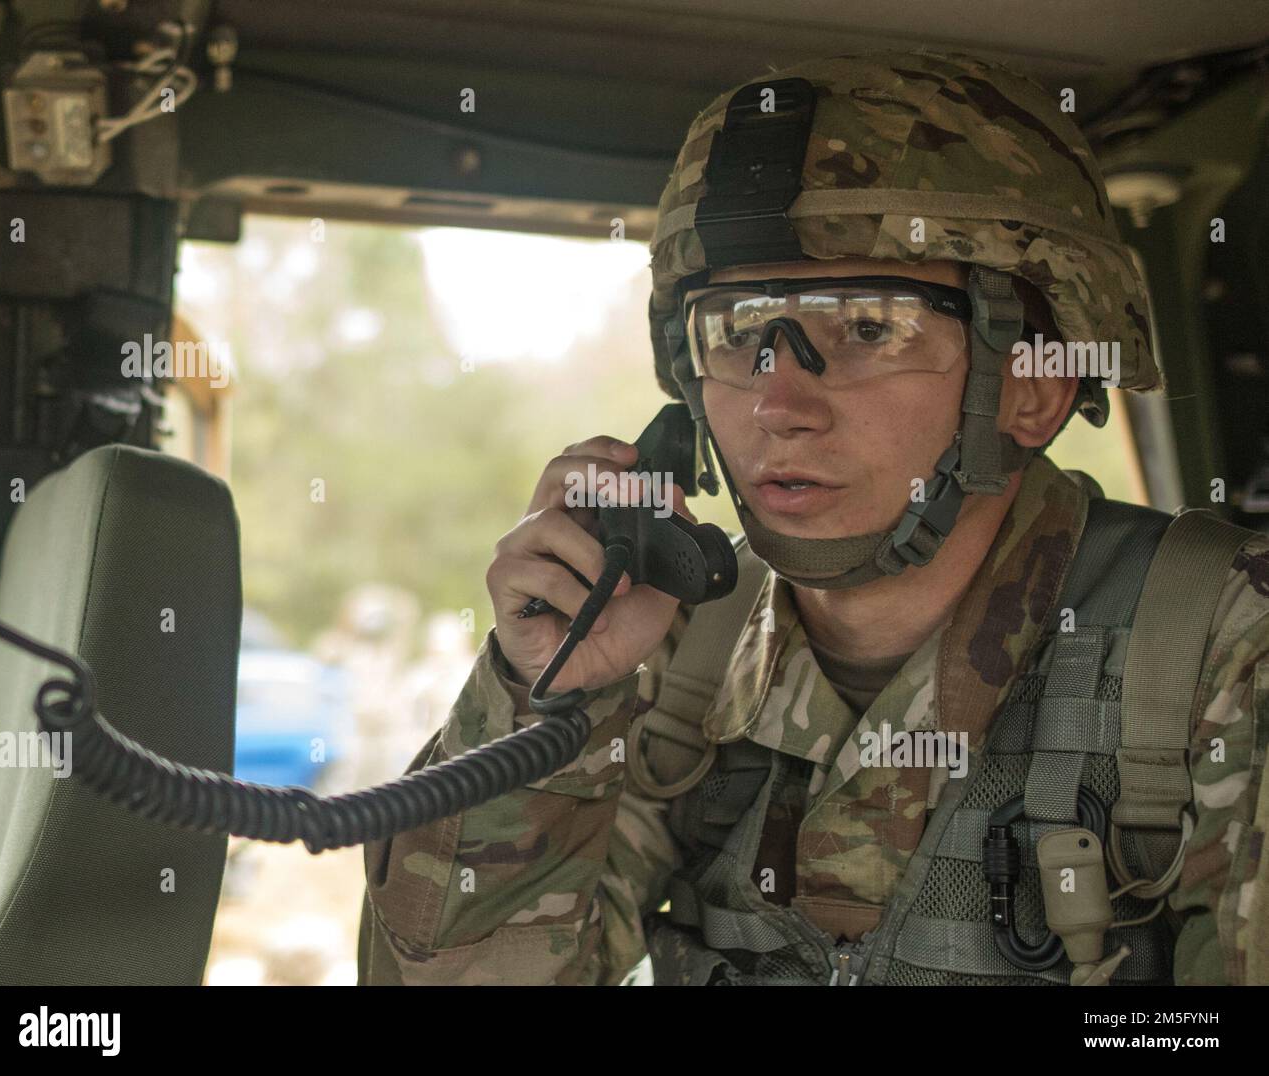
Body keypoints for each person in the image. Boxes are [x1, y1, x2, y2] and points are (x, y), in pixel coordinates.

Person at [357, 50, 1269, 986]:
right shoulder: (672, 653)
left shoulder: (1222, 650)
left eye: (868, 327)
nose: (777, 401)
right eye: (740, 332)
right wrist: (544, 702)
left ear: (1030, 389)